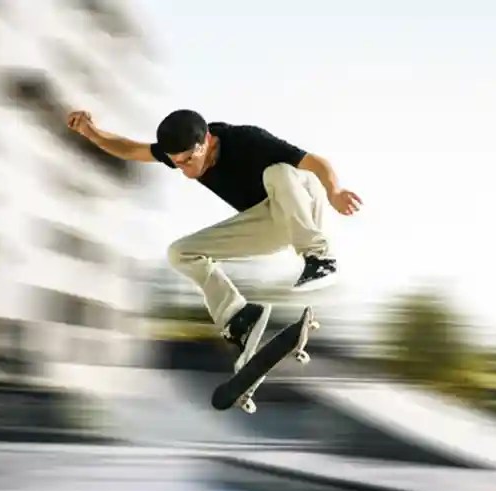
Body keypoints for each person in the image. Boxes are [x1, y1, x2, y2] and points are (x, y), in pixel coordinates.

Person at [66, 108, 361, 368]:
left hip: (305, 205)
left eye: (189, 159)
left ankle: (320, 258)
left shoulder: (247, 140)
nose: (184, 169)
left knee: (278, 173)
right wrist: (91, 132)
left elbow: (316, 163)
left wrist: (335, 191)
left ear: (206, 141)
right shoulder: (181, 149)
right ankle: (240, 317)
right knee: (180, 252)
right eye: (176, 163)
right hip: (268, 222)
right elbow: (131, 150)